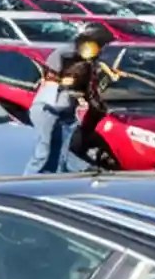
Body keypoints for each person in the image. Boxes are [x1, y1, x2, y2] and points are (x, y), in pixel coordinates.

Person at [23, 25, 114, 174]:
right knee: (42, 153)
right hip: (48, 108)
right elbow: (52, 78)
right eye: (102, 45)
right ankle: (27, 184)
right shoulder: (65, 54)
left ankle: (53, 182)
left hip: (68, 111)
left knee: (60, 155)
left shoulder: (93, 61)